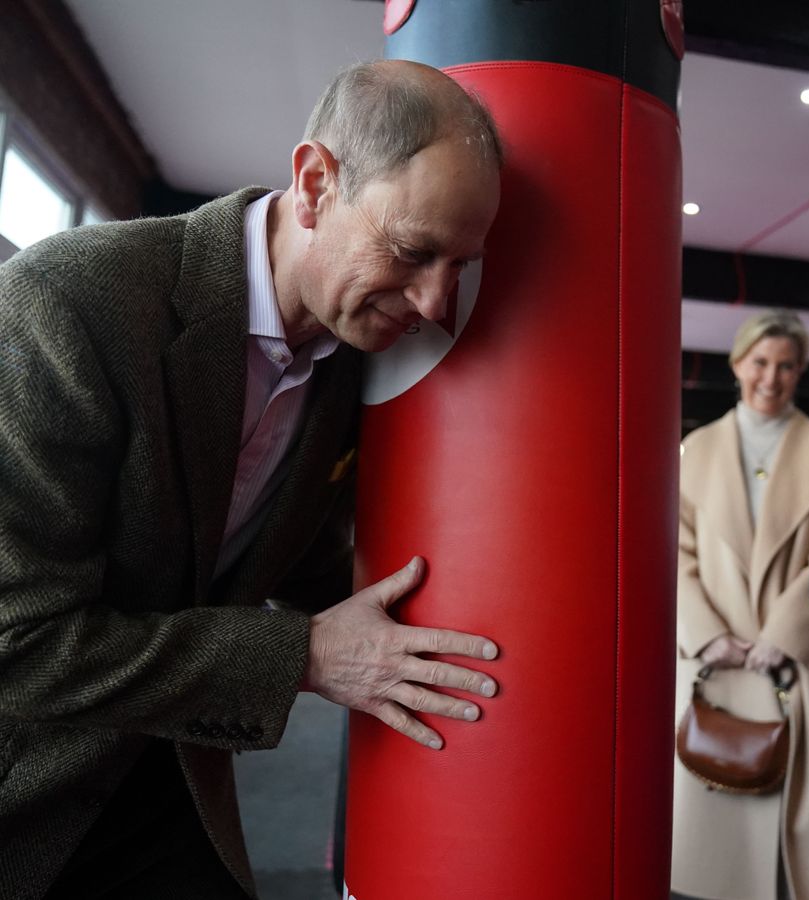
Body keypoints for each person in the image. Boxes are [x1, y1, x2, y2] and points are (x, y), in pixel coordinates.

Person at [0, 60, 504, 899]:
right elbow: (15, 641)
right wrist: (305, 655)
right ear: (314, 185)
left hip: (177, 779)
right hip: (26, 779)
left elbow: (283, 556)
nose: (434, 302)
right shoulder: (63, 305)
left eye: (460, 265)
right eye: (415, 252)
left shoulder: (356, 362)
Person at [673, 310, 809, 900]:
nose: (770, 378)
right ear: (737, 364)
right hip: (717, 660)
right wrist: (708, 636)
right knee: (713, 836)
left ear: (800, 370)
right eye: (760, 362)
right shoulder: (695, 450)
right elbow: (674, 554)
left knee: (801, 835)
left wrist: (781, 633)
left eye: (785, 365)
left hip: (795, 657)